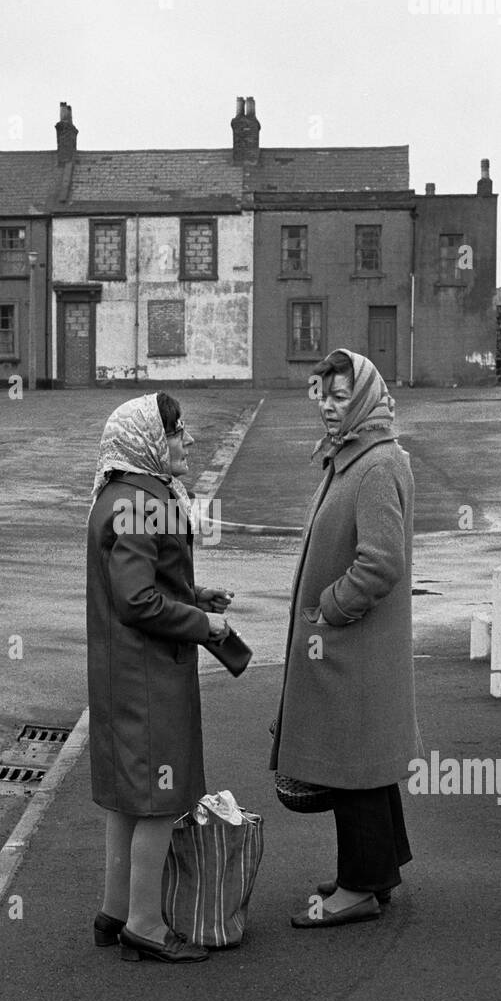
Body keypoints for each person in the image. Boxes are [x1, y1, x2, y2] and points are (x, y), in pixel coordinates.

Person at [270, 348, 422, 928]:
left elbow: (381, 563)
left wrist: (329, 611)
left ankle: (357, 890)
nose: (329, 409)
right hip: (349, 647)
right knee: (366, 761)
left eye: (340, 397)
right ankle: (375, 872)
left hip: (354, 645)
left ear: (362, 399)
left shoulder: (377, 464)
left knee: (354, 763)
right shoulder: (352, 456)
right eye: (323, 396)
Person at [87, 391, 234, 963]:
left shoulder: (120, 494)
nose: (188, 440)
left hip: (120, 668)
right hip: (149, 674)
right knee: (160, 799)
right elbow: (138, 600)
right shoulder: (144, 501)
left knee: (128, 797)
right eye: (177, 432)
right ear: (151, 440)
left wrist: (193, 593)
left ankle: (114, 911)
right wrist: (205, 623)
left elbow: (136, 578)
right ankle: (145, 928)